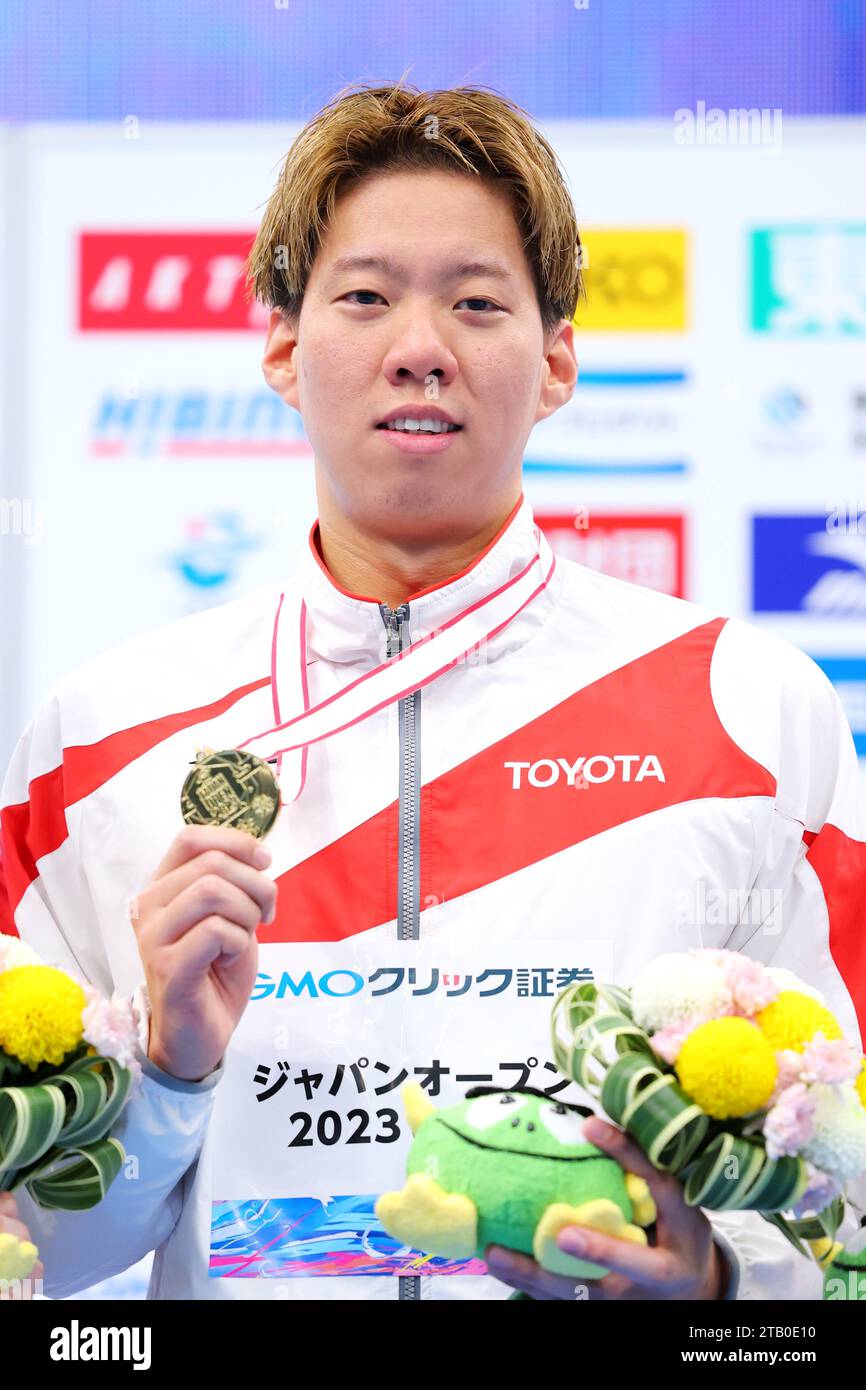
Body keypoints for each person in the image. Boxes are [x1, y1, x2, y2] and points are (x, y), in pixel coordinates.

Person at [1, 80, 864, 1303]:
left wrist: (724, 1290)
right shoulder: (92, 746)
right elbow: (42, 1258)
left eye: (475, 302)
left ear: (557, 359)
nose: (419, 346)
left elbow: (846, 1195)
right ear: (285, 351)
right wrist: (169, 1074)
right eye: (363, 297)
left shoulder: (749, 710)